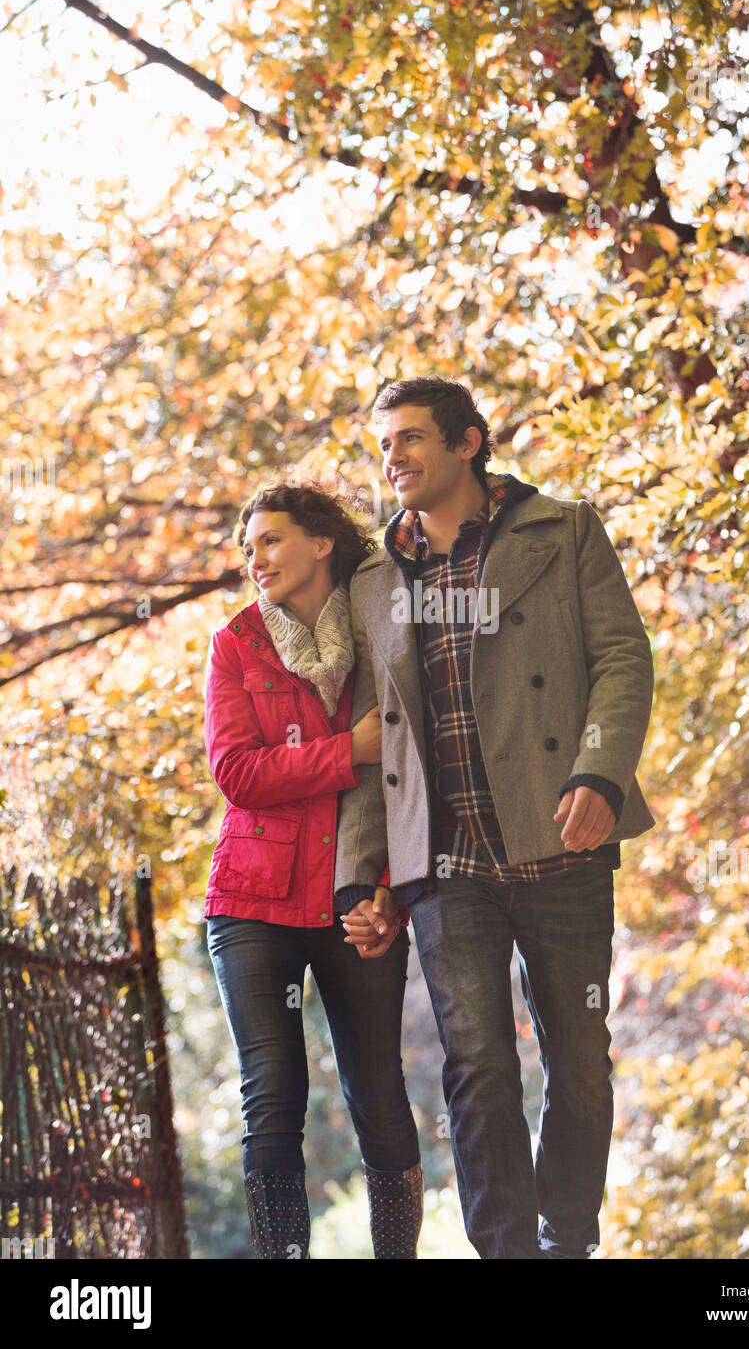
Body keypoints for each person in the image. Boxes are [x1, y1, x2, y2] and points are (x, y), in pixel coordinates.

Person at [335, 377, 655, 1259]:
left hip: (562, 838)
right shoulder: (372, 581)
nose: (392, 459)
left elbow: (623, 658)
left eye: (409, 440)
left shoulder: (564, 528)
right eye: (383, 446)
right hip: (446, 864)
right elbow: (375, 740)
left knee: (581, 1066)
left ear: (468, 442)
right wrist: (364, 874)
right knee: (477, 1070)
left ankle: (568, 1237)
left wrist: (601, 774)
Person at [202, 477, 422, 1260]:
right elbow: (240, 775)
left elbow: (409, 783)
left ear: (321, 542)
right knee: (273, 1093)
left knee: (379, 1091)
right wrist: (345, 751)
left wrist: (391, 894)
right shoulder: (237, 643)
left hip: (355, 896)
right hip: (253, 900)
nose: (255, 559)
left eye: (270, 540)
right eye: (248, 547)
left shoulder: (381, 639)